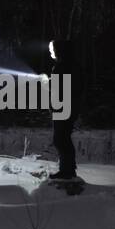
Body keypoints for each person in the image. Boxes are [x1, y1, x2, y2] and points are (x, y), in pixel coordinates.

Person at [48, 40, 78, 180]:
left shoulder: (65, 65)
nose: (51, 52)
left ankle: (68, 171)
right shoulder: (63, 65)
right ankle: (67, 170)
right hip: (62, 107)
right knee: (61, 139)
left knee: (61, 139)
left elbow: (68, 87)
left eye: (53, 49)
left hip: (65, 108)